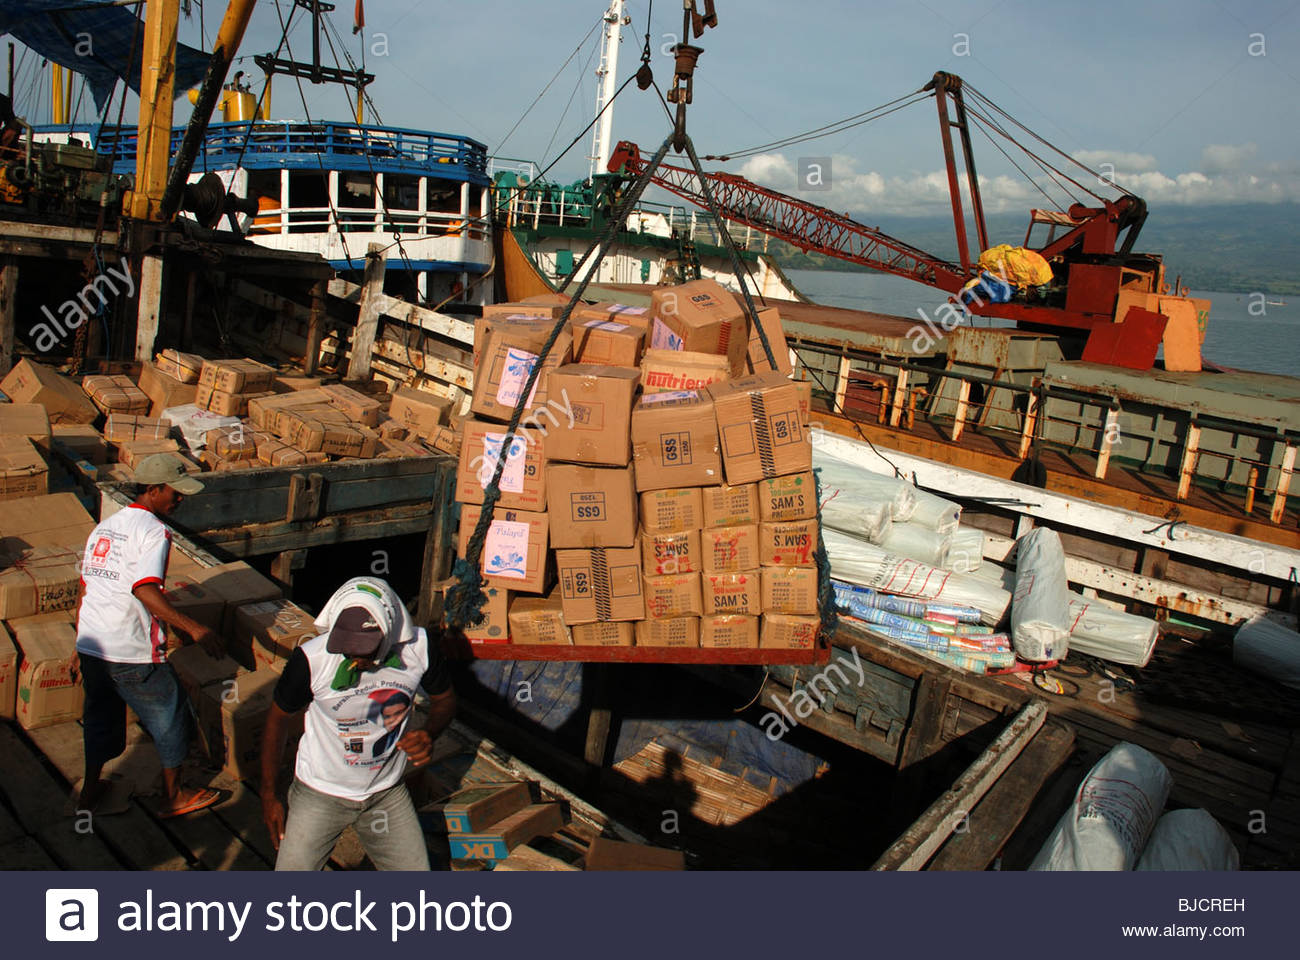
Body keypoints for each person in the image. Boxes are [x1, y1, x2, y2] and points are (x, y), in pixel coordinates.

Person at [261, 576, 456, 871]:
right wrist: (269, 794)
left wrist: (429, 733)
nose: (355, 657)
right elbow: (277, 720)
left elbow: (446, 700)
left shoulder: (420, 649)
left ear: (389, 634)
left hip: (386, 792)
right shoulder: (311, 660)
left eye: (364, 649)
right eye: (347, 648)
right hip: (320, 792)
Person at [75, 454, 225, 818]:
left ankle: (90, 791)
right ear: (154, 490)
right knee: (171, 718)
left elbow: (87, 588)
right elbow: (144, 590)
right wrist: (195, 628)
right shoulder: (155, 531)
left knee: (100, 718)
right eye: (175, 493)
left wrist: (77, 646)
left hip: (93, 647)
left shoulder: (104, 528)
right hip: (131, 650)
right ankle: (173, 796)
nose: (180, 500)